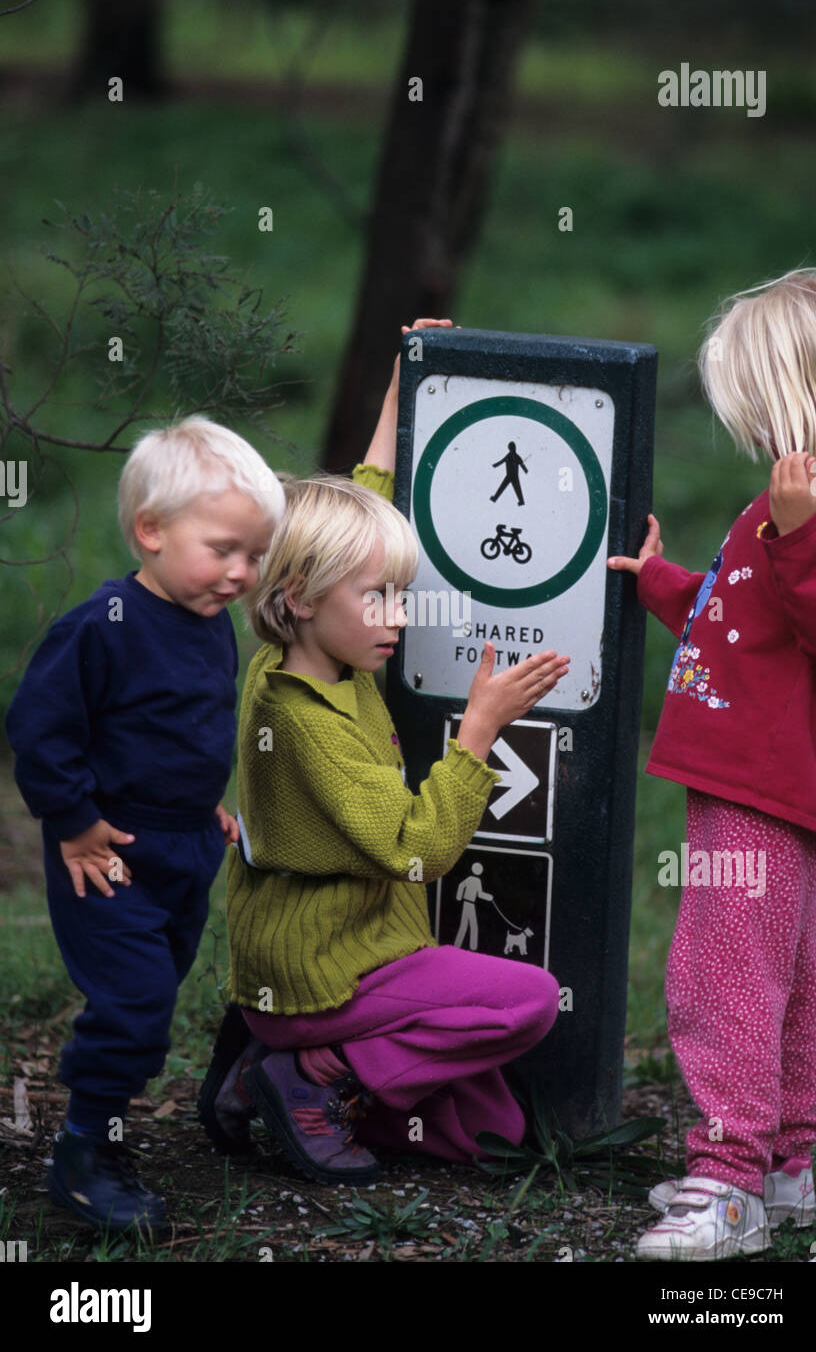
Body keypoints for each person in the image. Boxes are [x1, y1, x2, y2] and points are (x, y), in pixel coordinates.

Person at [198, 320, 570, 1184]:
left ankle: (260, 1069)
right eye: (380, 599)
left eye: (401, 596)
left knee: (489, 1134)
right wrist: (480, 731)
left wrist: (411, 373)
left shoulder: (307, 648)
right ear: (300, 596)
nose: (399, 618)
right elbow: (417, 850)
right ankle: (303, 1072)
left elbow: (365, 490)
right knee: (526, 1003)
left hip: (331, 958)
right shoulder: (305, 717)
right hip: (325, 972)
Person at [6, 415, 285, 1232]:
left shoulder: (208, 623)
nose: (241, 573)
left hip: (183, 845)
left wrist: (204, 803)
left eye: (254, 555)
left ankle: (107, 1128)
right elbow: (41, 728)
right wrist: (73, 824)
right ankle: (85, 1156)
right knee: (134, 1000)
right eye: (224, 549)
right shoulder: (102, 626)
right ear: (151, 531)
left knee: (155, 992)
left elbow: (180, 727)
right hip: (109, 848)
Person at [608, 268, 816, 1261]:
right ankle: (784, 1165)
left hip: (762, 788)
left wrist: (799, 537)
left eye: (749, 403)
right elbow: (748, 617)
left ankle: (725, 1182)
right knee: (780, 976)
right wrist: (662, 584)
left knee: (718, 977)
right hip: (767, 785)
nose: (740, 427)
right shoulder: (786, 516)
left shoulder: (808, 519)